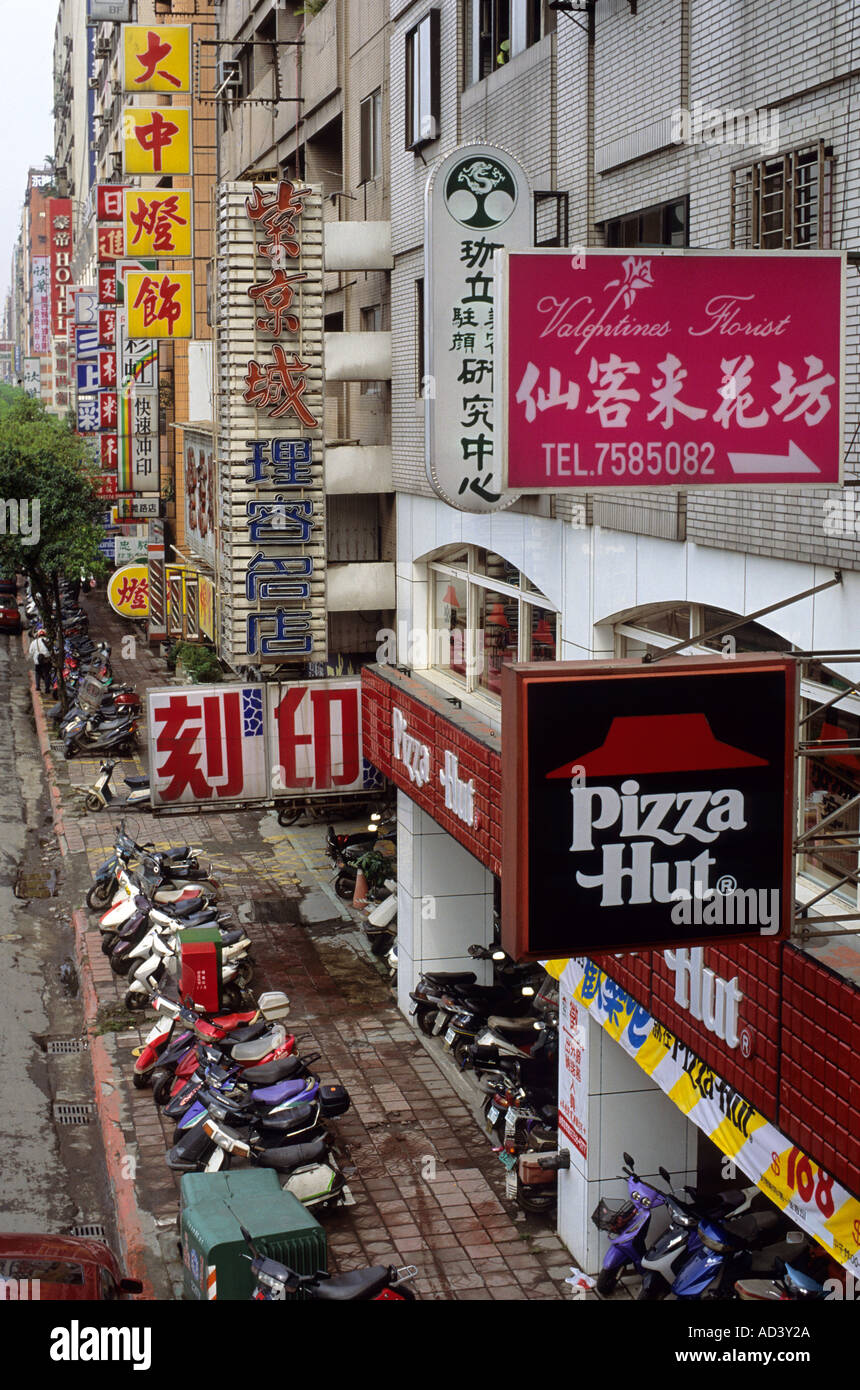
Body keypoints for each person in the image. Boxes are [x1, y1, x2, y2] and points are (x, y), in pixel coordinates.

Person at [29, 630, 52, 695]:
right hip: (46, 660)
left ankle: (38, 687)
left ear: (38, 635)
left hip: (38, 661)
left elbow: (31, 652)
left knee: (38, 673)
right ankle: (47, 689)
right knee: (47, 674)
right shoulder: (48, 640)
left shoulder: (34, 642)